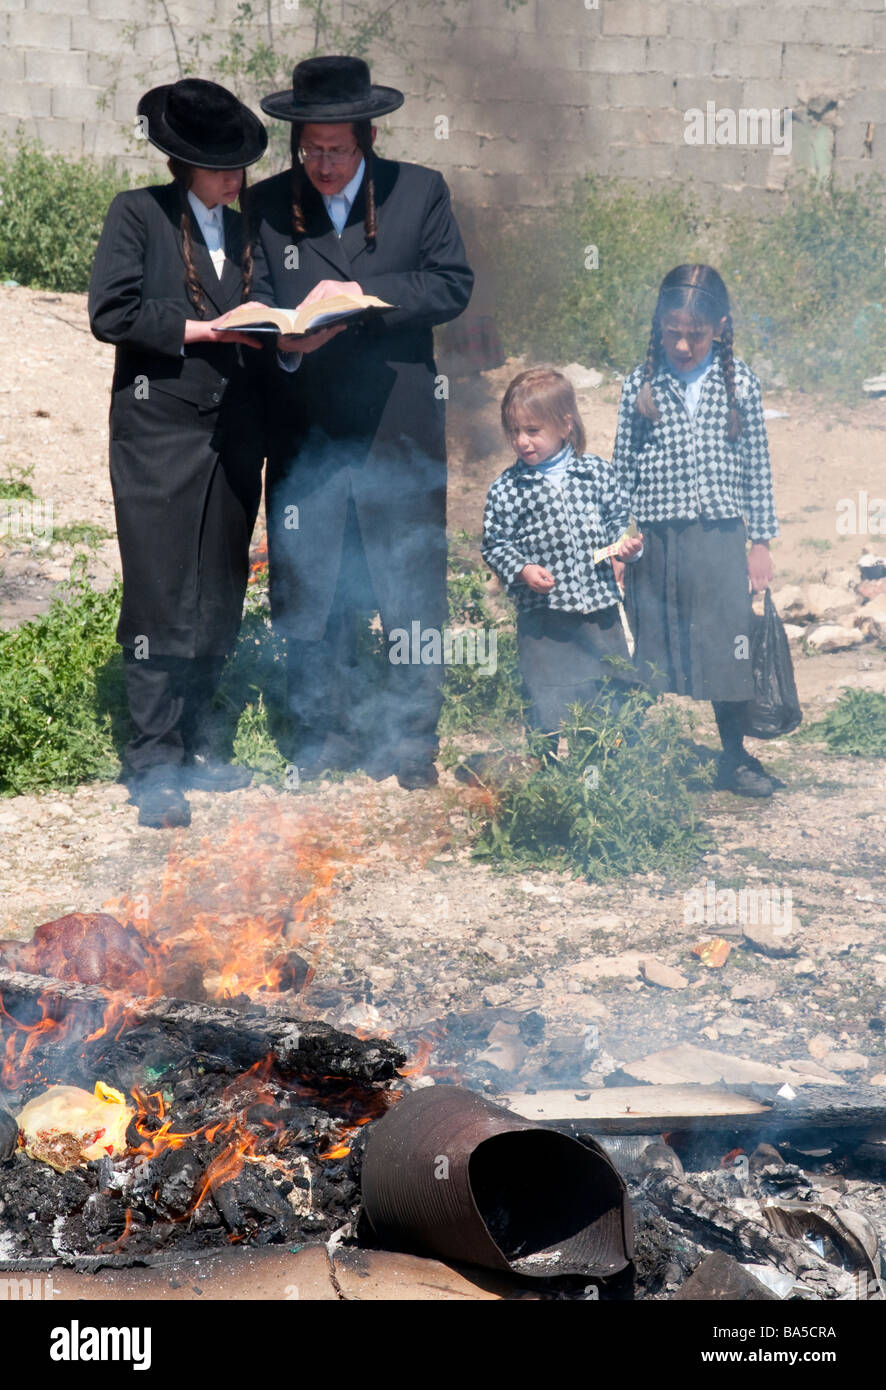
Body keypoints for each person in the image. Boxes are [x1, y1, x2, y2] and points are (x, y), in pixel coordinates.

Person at [89, 79, 342, 828]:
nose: (236, 178)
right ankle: (153, 761)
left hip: (235, 429)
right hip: (158, 430)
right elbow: (114, 310)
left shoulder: (246, 227)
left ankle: (200, 743)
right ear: (183, 162)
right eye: (222, 165)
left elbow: (259, 327)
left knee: (218, 587)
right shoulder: (138, 214)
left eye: (240, 166)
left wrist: (292, 344)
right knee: (161, 593)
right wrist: (209, 331)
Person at [248, 55, 474, 790]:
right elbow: (251, 297)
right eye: (309, 149)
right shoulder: (268, 203)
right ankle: (324, 734)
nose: (322, 164)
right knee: (311, 587)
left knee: (409, 582)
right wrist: (280, 341)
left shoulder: (420, 193)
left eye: (337, 150)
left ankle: (410, 739)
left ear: (368, 138)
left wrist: (364, 294)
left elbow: (450, 284)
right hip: (306, 431)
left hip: (397, 428)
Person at [610, 264, 780, 797]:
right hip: (658, 543)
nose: (683, 345)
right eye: (672, 332)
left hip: (720, 540)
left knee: (727, 649)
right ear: (658, 327)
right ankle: (627, 759)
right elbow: (622, 469)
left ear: (720, 328)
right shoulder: (640, 384)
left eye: (696, 334)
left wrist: (760, 543)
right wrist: (618, 539)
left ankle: (734, 758)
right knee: (652, 647)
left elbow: (757, 465)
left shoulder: (741, 384)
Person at [482, 367, 643, 749]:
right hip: (544, 616)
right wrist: (522, 569)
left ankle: (601, 772)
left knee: (605, 694)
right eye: (514, 431)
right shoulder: (508, 488)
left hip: (597, 612)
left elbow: (618, 526)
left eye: (532, 431)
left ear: (564, 425)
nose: (522, 442)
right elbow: (495, 544)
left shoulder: (596, 474)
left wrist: (623, 547)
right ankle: (548, 770)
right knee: (546, 698)